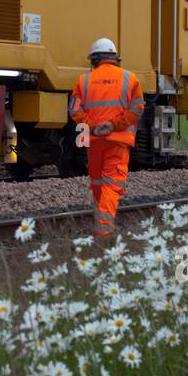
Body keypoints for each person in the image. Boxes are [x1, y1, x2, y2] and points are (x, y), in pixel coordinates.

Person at [69, 38, 144, 238]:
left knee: (98, 182)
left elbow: (74, 110)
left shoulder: (83, 80)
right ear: (115, 58)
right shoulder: (130, 79)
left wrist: (93, 126)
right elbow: (137, 109)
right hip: (118, 139)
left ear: (95, 59)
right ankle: (103, 230)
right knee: (112, 183)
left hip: (92, 141)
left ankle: (101, 222)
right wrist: (113, 125)